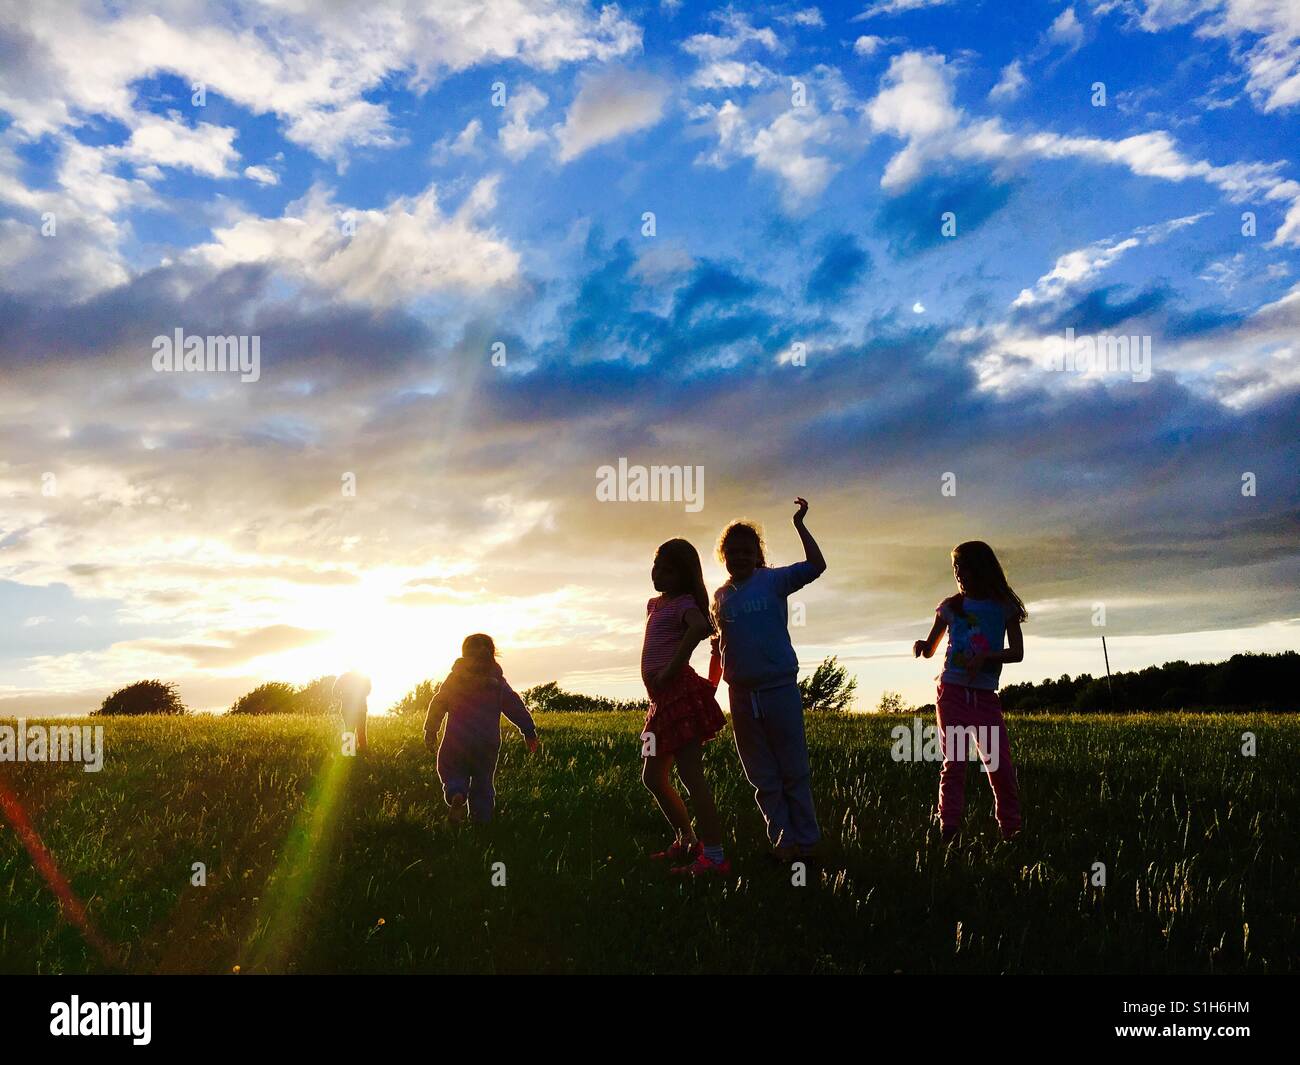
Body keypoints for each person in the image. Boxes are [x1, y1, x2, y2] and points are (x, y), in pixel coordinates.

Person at [711, 497, 825, 861]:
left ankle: (807, 842)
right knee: (761, 775)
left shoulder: (773, 580)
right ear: (723, 556)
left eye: (747, 551)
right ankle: (783, 843)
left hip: (779, 690)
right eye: (733, 552)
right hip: (741, 695)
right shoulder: (722, 596)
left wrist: (800, 524)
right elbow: (721, 643)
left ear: (758, 554)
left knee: (793, 769)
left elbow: (816, 565)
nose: (740, 557)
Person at [913, 540, 1026, 841]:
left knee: (998, 764)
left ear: (982, 569)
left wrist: (986, 656)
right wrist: (923, 646)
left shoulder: (1003, 607)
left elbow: (1017, 652)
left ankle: (1011, 830)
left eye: (964, 568)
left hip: (985, 696)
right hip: (951, 692)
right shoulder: (950, 608)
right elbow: (931, 648)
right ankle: (948, 830)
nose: (959, 574)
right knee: (955, 763)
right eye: (955, 569)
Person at [640, 538, 730, 877]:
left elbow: (699, 627)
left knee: (692, 776)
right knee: (652, 776)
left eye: (669, 570)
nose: (659, 574)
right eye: (657, 566)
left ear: (685, 574)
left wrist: (672, 668)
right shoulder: (654, 604)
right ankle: (687, 837)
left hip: (680, 696)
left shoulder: (685, 604)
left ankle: (716, 857)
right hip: (660, 702)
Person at [424, 634, 538, 823]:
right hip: (486, 743)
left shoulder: (454, 680)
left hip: (456, 741)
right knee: (483, 782)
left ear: (464, 654)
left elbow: (439, 703)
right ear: (492, 655)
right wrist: (529, 730)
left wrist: (431, 730)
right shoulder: (497, 683)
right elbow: (515, 705)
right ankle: (481, 821)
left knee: (451, 769)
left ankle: (456, 793)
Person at [333, 671, 371, 754]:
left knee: (350, 731)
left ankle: (350, 754)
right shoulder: (363, 676)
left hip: (352, 709)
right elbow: (368, 689)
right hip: (357, 709)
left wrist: (343, 696)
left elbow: (335, 691)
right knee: (359, 731)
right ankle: (361, 753)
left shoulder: (344, 677)